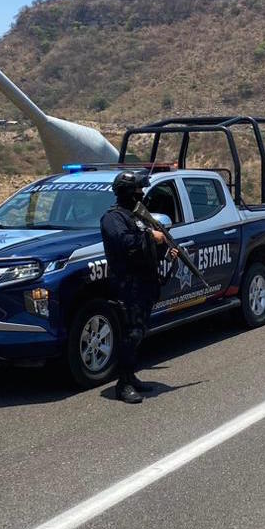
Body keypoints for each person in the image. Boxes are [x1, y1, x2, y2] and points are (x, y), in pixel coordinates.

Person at [100, 170, 177, 404]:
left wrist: (166, 252)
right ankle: (123, 385)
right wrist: (152, 237)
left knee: (139, 331)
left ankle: (131, 376)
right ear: (127, 192)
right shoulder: (113, 218)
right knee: (130, 334)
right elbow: (125, 243)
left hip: (143, 283)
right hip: (127, 285)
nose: (141, 194)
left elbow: (147, 248)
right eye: (137, 191)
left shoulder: (137, 216)